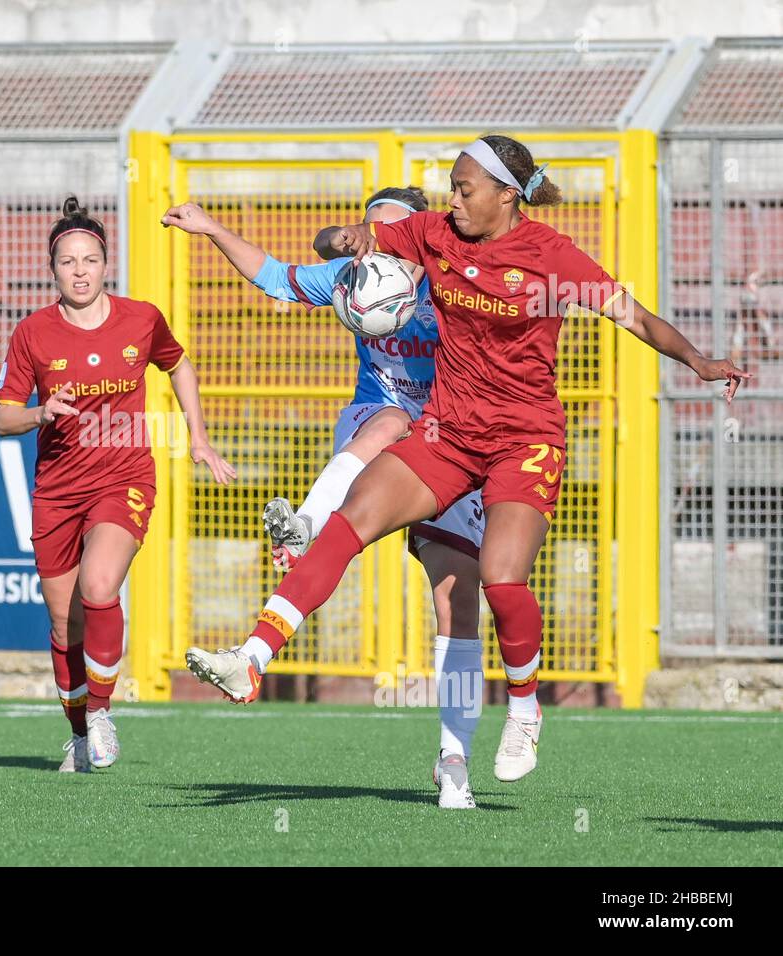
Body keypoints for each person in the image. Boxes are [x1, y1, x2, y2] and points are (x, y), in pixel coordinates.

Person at [213, 134, 749, 789]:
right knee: (349, 522)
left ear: (506, 194)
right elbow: (337, 239)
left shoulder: (554, 256)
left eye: (465, 189)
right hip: (449, 433)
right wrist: (347, 237)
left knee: (499, 581)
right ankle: (254, 655)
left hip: (526, 439)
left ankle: (523, 708)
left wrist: (698, 360)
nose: (454, 200)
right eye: (451, 188)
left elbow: (635, 318)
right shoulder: (435, 233)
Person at [162, 187, 487, 808]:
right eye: (369, 233)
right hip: (379, 427)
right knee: (389, 424)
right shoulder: (352, 277)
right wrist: (213, 228)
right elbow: (279, 277)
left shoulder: (454, 281)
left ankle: (454, 759)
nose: (378, 245)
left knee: (458, 596)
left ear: (423, 231)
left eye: (393, 232)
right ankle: (307, 522)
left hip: (450, 441)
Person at [0, 197, 235, 773]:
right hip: (57, 489)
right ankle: (78, 732)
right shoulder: (33, 333)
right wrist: (39, 412)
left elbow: (178, 365)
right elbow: (2, 418)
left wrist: (197, 437)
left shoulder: (141, 319)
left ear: (107, 265)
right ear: (53, 270)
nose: (80, 271)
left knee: (100, 588)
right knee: (63, 620)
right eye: (68, 262)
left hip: (123, 476)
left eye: (91, 259)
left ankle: (100, 713)